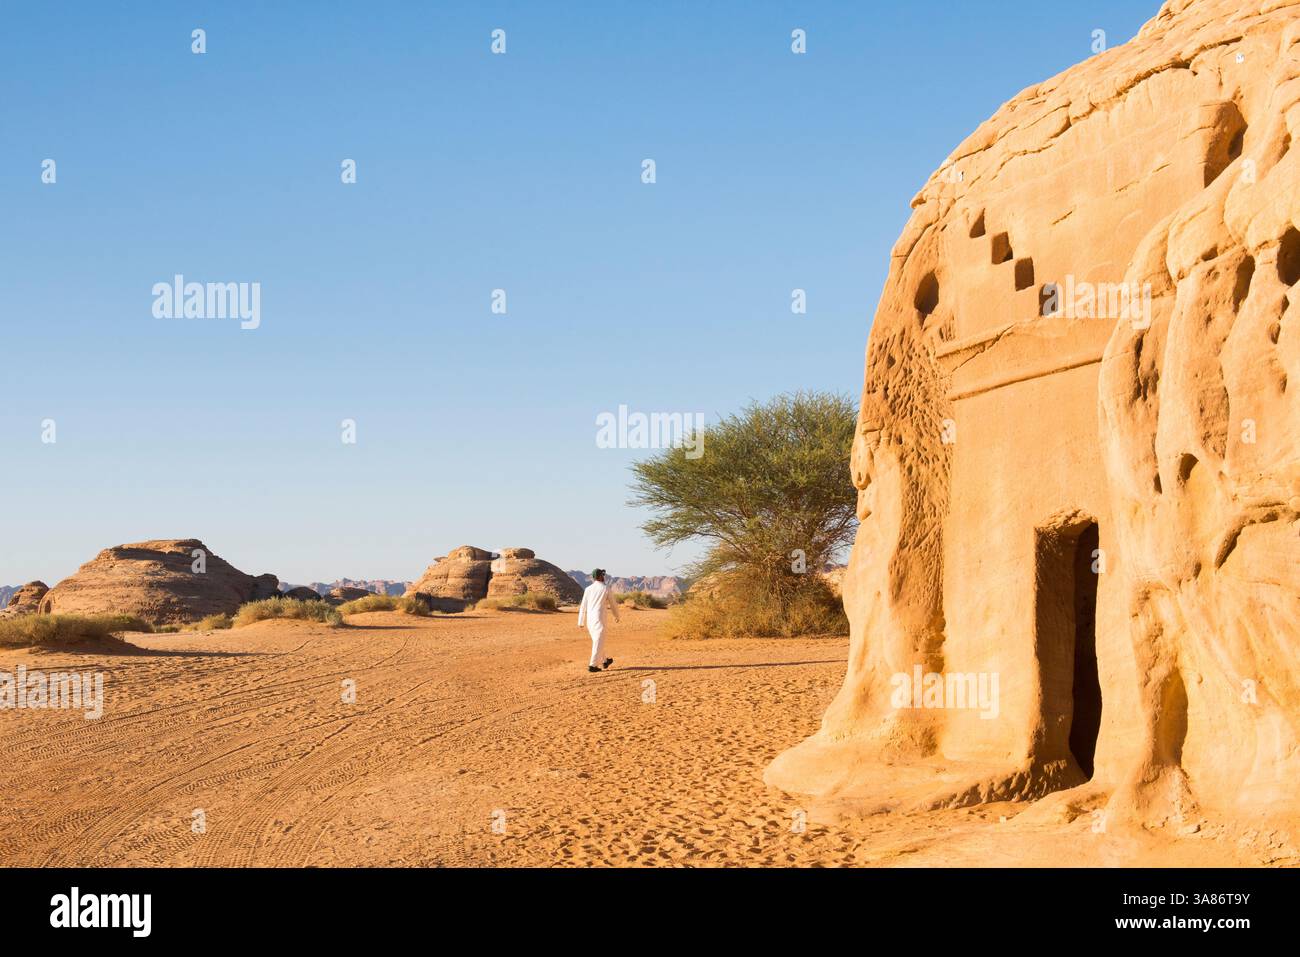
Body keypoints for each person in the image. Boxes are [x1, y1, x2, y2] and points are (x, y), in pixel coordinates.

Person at [577, 568, 620, 673]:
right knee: (598, 641)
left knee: (598, 641)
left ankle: (605, 661)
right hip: (599, 619)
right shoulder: (606, 588)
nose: (604, 577)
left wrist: (581, 621)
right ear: (600, 576)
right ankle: (593, 665)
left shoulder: (588, 589)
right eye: (603, 575)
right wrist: (616, 616)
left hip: (590, 620)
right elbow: (613, 604)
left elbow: (583, 606)